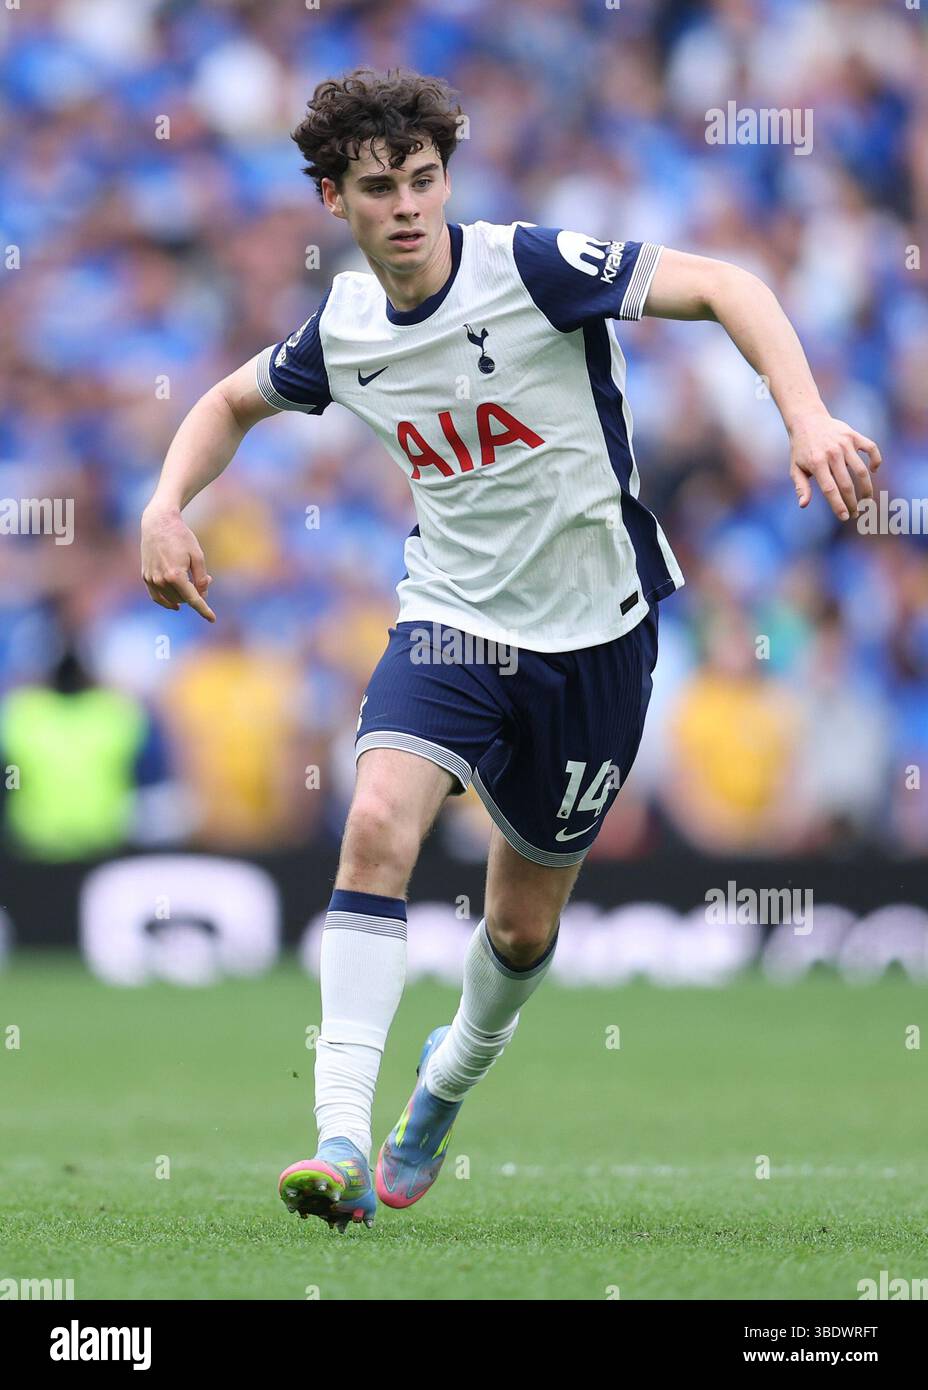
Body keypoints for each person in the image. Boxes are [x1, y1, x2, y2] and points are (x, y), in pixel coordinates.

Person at [140, 67, 882, 1232]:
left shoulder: (530, 268)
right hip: (452, 619)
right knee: (379, 818)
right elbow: (226, 404)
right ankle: (336, 1133)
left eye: (424, 180)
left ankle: (440, 1087)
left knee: (523, 925)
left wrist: (803, 415)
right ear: (332, 199)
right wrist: (165, 503)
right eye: (378, 187)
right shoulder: (340, 329)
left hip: (598, 638)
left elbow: (727, 283)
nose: (406, 206)